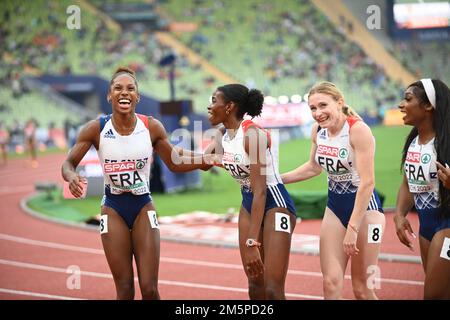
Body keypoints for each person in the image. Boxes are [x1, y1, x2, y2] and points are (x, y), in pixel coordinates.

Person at [61, 67, 209, 300]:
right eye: (118, 88)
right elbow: (68, 163)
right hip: (113, 208)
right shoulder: (96, 129)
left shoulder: (151, 127)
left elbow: (174, 162)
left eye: (130, 89)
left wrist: (203, 161)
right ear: (110, 95)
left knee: (149, 289)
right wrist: (71, 176)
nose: (124, 93)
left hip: (143, 205)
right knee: (125, 290)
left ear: (137, 97)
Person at [281, 81, 385, 299]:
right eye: (312, 108)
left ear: (339, 102)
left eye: (323, 105)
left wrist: (353, 228)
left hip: (366, 213)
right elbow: (313, 167)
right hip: (335, 208)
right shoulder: (318, 130)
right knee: (330, 283)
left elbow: (367, 183)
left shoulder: (358, 130)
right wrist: (276, 180)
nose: (318, 113)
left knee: (362, 289)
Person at [204, 83, 297, 300]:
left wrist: (252, 241)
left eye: (213, 101)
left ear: (229, 107)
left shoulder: (251, 135)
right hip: (248, 203)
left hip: (274, 204)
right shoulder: (221, 134)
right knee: (255, 284)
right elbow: (203, 161)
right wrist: (167, 150)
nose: (209, 106)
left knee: (272, 290)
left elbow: (261, 191)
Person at [394, 78, 450, 299]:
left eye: (408, 99)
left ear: (428, 106)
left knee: (433, 296)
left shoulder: (446, 142)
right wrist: (399, 214)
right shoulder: (414, 142)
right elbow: (408, 183)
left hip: (447, 225)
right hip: (425, 228)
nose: (401, 104)